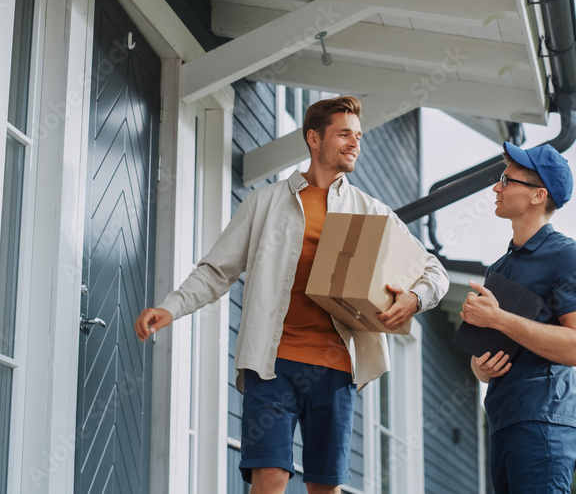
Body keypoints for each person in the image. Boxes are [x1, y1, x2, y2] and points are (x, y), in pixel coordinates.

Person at [134, 95, 449, 494]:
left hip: (334, 369)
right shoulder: (264, 203)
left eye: (359, 136)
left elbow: (434, 270)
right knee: (269, 479)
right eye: (344, 134)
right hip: (271, 365)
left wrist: (415, 299)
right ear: (314, 138)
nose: (355, 143)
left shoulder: (371, 211)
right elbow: (217, 270)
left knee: (324, 488)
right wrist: (170, 308)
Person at [460, 142, 576, 494]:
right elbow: (482, 363)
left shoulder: (570, 257)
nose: (496, 187)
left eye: (507, 180)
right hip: (502, 422)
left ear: (538, 195)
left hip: (544, 424)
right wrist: (481, 367)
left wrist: (499, 318)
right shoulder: (499, 269)